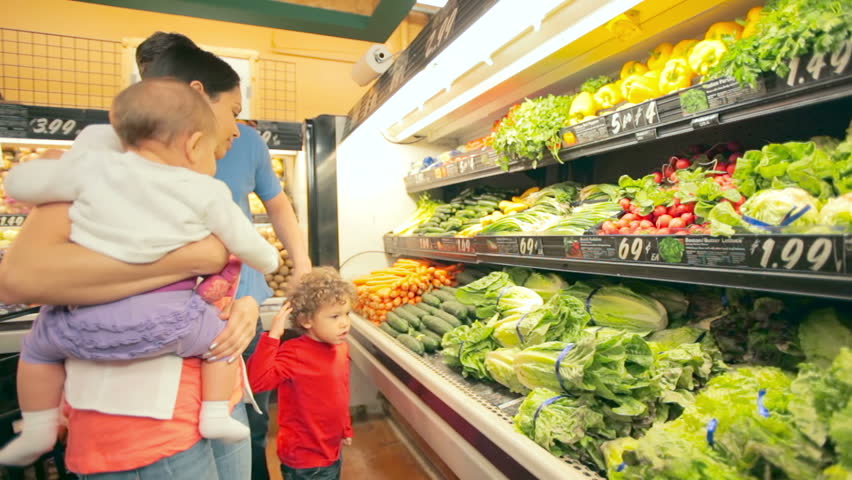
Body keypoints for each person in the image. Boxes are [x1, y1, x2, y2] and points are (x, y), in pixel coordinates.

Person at [0, 43, 260, 479]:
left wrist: (246, 304)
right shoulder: (101, 168)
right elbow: (18, 279)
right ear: (196, 96)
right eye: (234, 111)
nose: (239, 129)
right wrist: (195, 257)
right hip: (144, 431)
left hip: (215, 398)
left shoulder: (198, 174)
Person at [138, 34, 312, 480]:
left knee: (244, 422)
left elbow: (276, 205)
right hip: (164, 326)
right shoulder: (127, 154)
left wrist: (300, 266)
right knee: (184, 434)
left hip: (241, 308)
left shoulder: (243, 142)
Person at [247, 267, 354, 480]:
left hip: (331, 451)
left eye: (346, 314)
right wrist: (273, 337)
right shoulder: (294, 353)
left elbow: (340, 393)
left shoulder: (340, 348)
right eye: (334, 316)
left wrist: (345, 428)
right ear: (306, 321)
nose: (344, 322)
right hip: (304, 460)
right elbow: (258, 383)